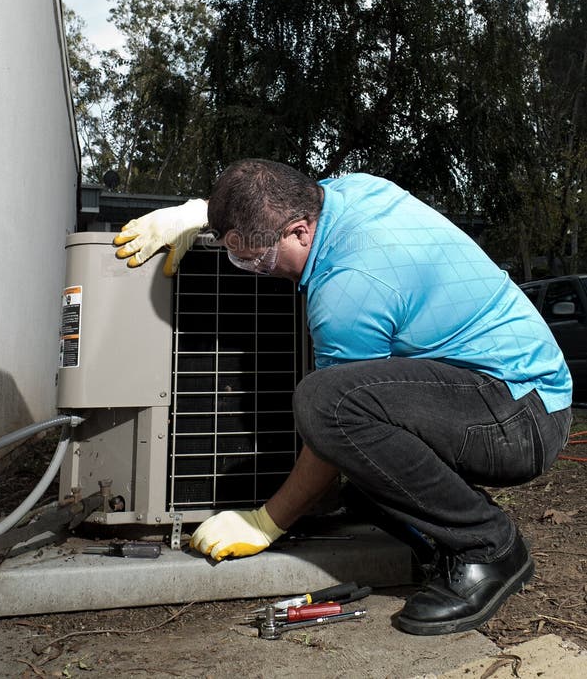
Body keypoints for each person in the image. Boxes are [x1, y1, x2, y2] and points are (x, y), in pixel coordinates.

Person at [113, 159, 572, 636]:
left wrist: (267, 522)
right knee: (363, 485)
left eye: (260, 260)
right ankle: (435, 536)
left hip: (519, 420)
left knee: (323, 402)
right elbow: (272, 192)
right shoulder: (351, 192)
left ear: (299, 232)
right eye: (240, 260)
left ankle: (489, 548)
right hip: (515, 391)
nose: (257, 273)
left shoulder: (346, 291)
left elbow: (336, 426)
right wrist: (201, 213)